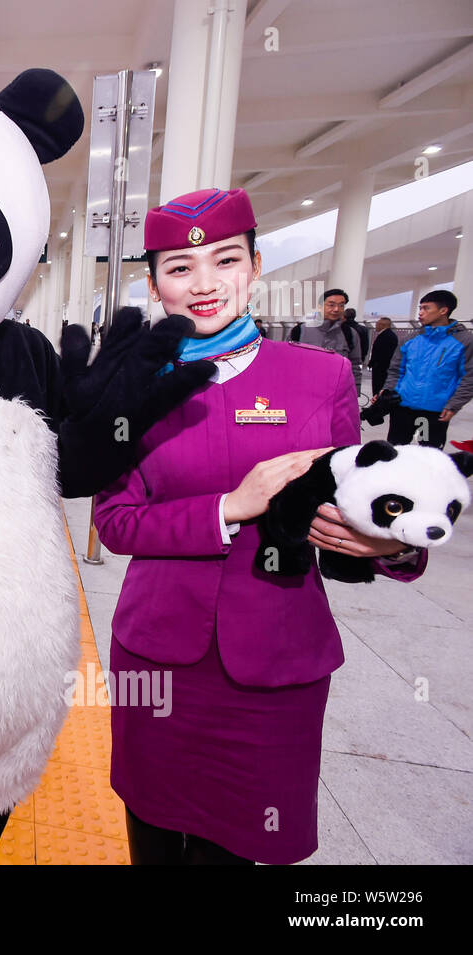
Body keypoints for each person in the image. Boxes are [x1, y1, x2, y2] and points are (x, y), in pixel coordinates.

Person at [94, 187, 427, 865]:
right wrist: (229, 506)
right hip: (159, 661)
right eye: (181, 269)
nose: (206, 284)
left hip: (276, 667)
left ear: (255, 265)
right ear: (156, 283)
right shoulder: (129, 385)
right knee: (153, 837)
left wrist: (387, 542)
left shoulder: (322, 377)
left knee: (245, 843)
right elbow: (116, 520)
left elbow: (376, 512)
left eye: (226, 260)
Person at [377, 290, 472, 450]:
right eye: (420, 308)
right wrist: (388, 390)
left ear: (443, 310)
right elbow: (395, 370)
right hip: (402, 407)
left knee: (428, 455)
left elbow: (469, 377)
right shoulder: (410, 339)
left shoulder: (464, 341)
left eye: (426, 308)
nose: (420, 313)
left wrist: (454, 405)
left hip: (434, 412)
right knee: (394, 452)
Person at [293, 288, 361, 389]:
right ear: (320, 306)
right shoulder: (300, 331)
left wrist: (354, 393)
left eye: (341, 305)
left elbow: (354, 366)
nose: (336, 309)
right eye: (331, 305)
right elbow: (287, 362)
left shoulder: (350, 334)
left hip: (335, 393)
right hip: (303, 389)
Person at [367, 316, 398, 397]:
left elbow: (381, 353)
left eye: (377, 324)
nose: (375, 325)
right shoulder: (390, 335)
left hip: (381, 368)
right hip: (383, 367)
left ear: (382, 325)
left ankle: (377, 404)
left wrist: (373, 362)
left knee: (378, 386)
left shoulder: (386, 336)